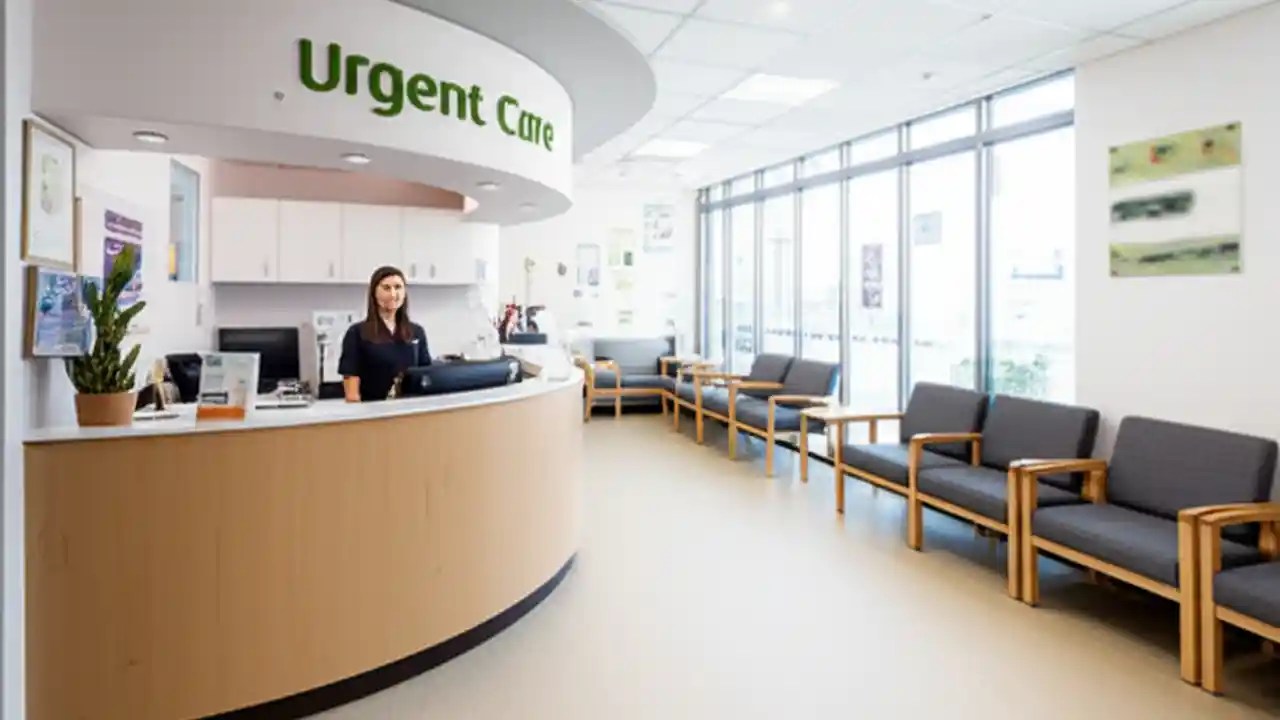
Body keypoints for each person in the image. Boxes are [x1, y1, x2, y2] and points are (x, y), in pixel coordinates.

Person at [339, 266, 431, 402]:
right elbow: (351, 384)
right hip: (373, 413)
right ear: (374, 293)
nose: (393, 294)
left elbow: (427, 374)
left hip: (410, 411)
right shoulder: (356, 332)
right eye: (386, 288)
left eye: (398, 287)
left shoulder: (416, 332)